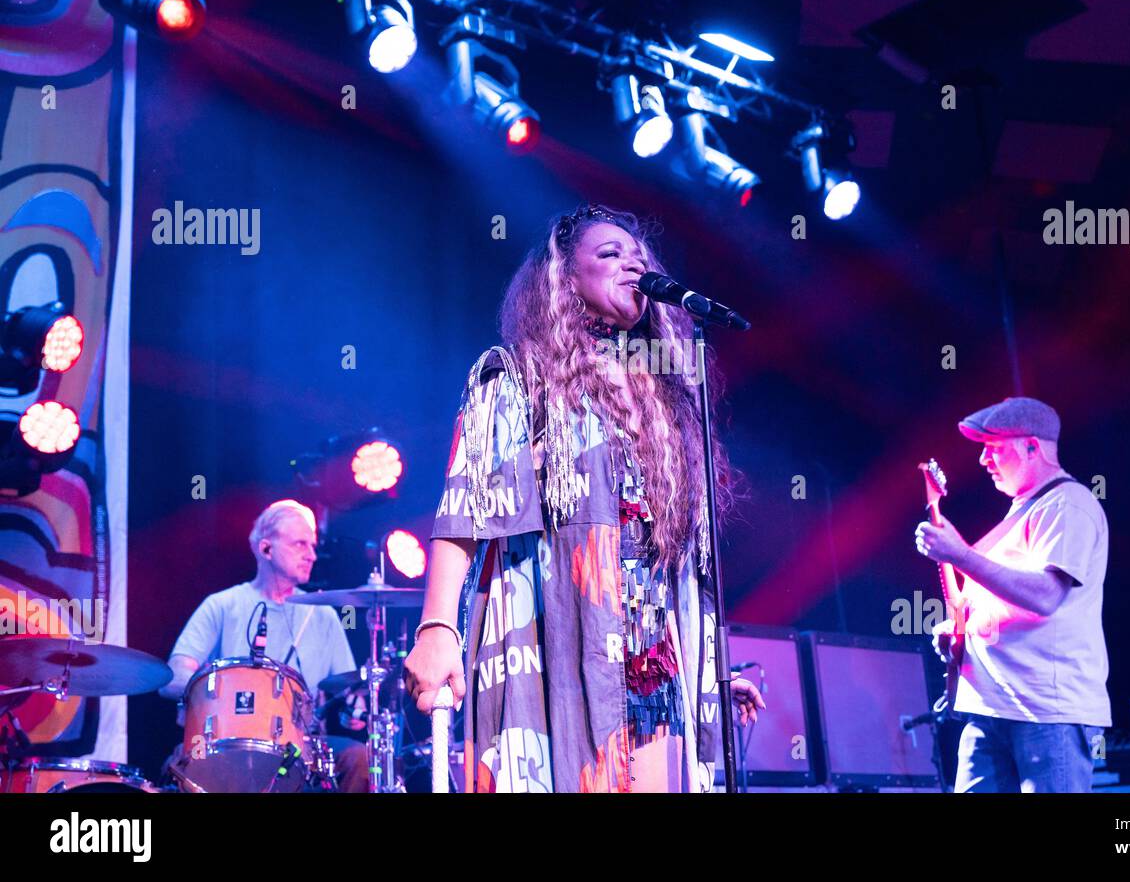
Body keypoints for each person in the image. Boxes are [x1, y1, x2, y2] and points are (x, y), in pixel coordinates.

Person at [403, 204, 763, 793]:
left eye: (639, 257)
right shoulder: (521, 376)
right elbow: (466, 505)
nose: (632, 265)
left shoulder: (668, 399)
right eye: (609, 255)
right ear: (566, 280)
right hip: (561, 647)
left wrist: (713, 670)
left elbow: (681, 561)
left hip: (654, 662)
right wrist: (437, 627)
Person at [914, 397, 1110, 793]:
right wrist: (962, 631)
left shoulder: (1068, 504)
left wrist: (961, 555)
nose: (984, 460)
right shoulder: (1023, 511)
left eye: (994, 448)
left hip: (1044, 712)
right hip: (990, 707)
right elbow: (1010, 596)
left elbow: (1045, 596)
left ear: (1032, 447)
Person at [160, 499, 366, 791]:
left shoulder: (324, 615)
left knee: (357, 757)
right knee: (180, 759)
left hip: (305, 747)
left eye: (312, 546)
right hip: (226, 742)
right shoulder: (222, 605)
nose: (312, 555)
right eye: (300, 545)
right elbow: (172, 677)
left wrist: (355, 708)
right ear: (266, 548)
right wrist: (219, 691)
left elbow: (347, 691)